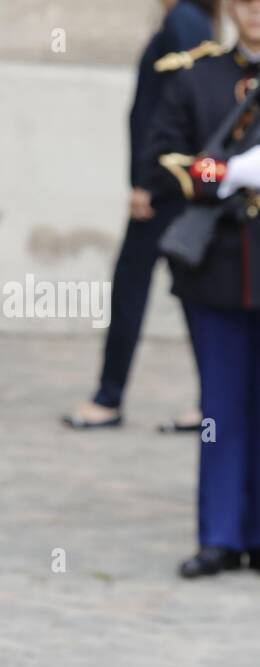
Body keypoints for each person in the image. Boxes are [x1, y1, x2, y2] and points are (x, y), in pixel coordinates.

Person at [145, 0, 260, 577]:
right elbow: (166, 157)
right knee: (221, 405)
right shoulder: (197, 74)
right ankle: (219, 534)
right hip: (217, 270)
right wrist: (233, 174)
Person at [63, 0, 216, 431]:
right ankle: (212, 401)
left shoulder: (185, 19)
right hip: (169, 182)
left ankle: (109, 398)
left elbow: (182, 103)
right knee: (189, 289)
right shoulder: (189, 19)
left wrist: (147, 181)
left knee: (133, 284)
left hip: (164, 187)